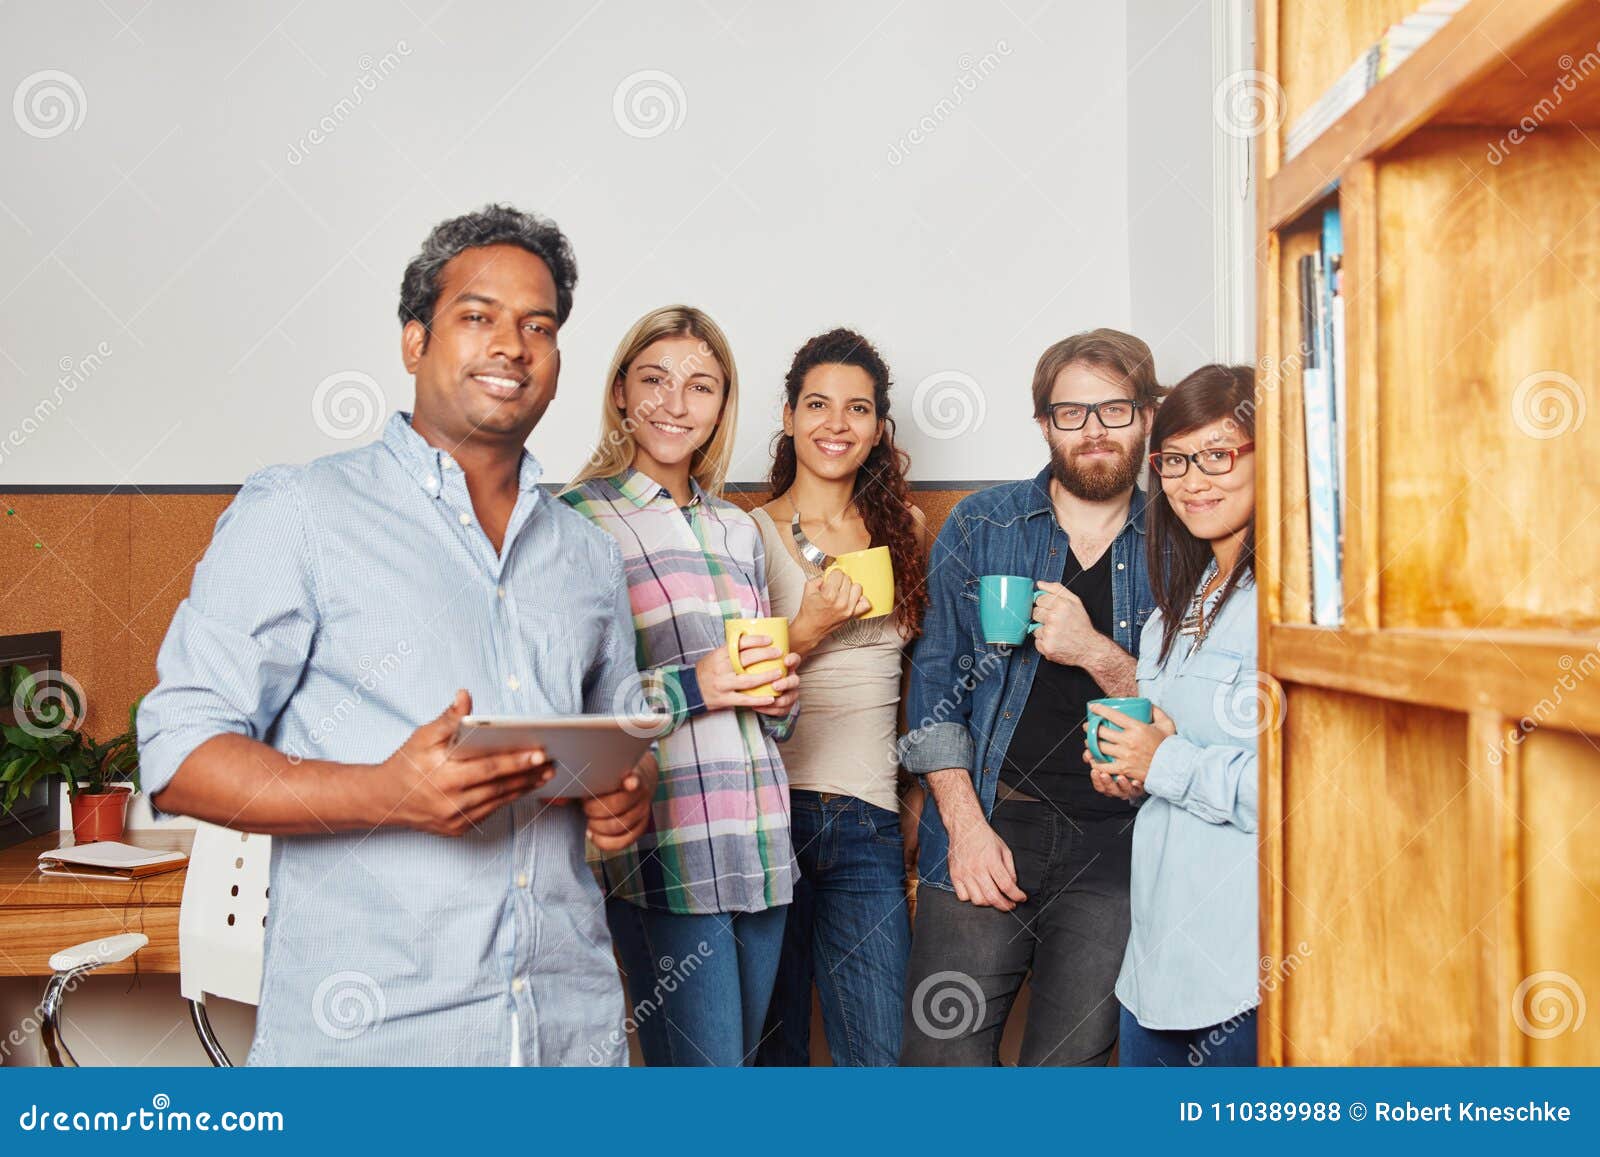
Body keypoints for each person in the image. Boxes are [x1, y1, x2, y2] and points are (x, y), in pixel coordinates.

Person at [137, 205, 656, 1066]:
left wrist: (624, 796)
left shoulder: (588, 557)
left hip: (568, 1039)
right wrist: (389, 791)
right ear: (414, 341)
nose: (513, 345)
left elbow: (618, 751)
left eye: (539, 325)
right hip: (373, 1052)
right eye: (477, 316)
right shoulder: (301, 514)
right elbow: (179, 753)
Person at [898, 328, 1163, 1066]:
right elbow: (934, 693)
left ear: (1147, 416)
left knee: (1068, 1074)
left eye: (1114, 409)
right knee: (938, 1060)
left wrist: (1096, 652)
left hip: (1121, 846)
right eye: (1071, 413)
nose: (1094, 431)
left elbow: (1191, 711)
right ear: (1044, 423)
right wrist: (964, 825)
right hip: (993, 817)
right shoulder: (984, 524)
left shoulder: (1178, 543)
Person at [562, 305, 802, 1066]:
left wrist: (781, 700)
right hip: (666, 847)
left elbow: (762, 696)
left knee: (741, 1075)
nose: (675, 402)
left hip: (760, 840)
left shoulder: (738, 528)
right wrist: (696, 683)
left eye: (700, 386)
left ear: (721, 407)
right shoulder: (575, 521)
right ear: (621, 393)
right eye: (655, 380)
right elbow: (574, 709)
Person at [751, 328, 928, 1067]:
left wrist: (915, 792)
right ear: (789, 416)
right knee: (774, 1050)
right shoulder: (746, 531)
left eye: (857, 409)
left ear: (879, 428)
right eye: (818, 404)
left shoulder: (907, 527)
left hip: (869, 819)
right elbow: (738, 679)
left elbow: (921, 677)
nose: (836, 423)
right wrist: (809, 628)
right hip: (768, 815)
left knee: (880, 1055)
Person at [1086, 363, 1260, 1067]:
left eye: (1219, 454)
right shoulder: (1169, 614)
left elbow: (1315, 794)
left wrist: (1167, 761)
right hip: (1153, 969)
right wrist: (1130, 769)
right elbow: (1162, 755)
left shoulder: (1296, 612)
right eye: (1176, 461)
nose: (1193, 481)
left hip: (1244, 976)